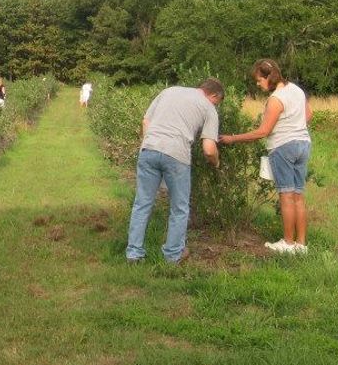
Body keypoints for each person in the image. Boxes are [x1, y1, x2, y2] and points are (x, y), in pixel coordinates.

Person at [125, 79, 224, 263]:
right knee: (179, 208)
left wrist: (152, 144)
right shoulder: (208, 108)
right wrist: (217, 163)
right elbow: (209, 149)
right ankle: (172, 255)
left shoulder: (169, 91)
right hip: (177, 155)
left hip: (149, 149)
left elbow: (146, 121)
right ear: (214, 95)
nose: (215, 106)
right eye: (216, 102)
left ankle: (134, 254)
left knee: (142, 203)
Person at [219, 59, 312, 254]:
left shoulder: (275, 99)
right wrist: (294, 126)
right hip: (303, 144)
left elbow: (263, 132)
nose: (257, 83)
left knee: (286, 195)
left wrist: (232, 138)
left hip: (283, 147)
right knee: (298, 195)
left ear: (269, 77)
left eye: (259, 79)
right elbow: (308, 115)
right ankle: (301, 245)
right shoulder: (296, 90)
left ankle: (287, 243)